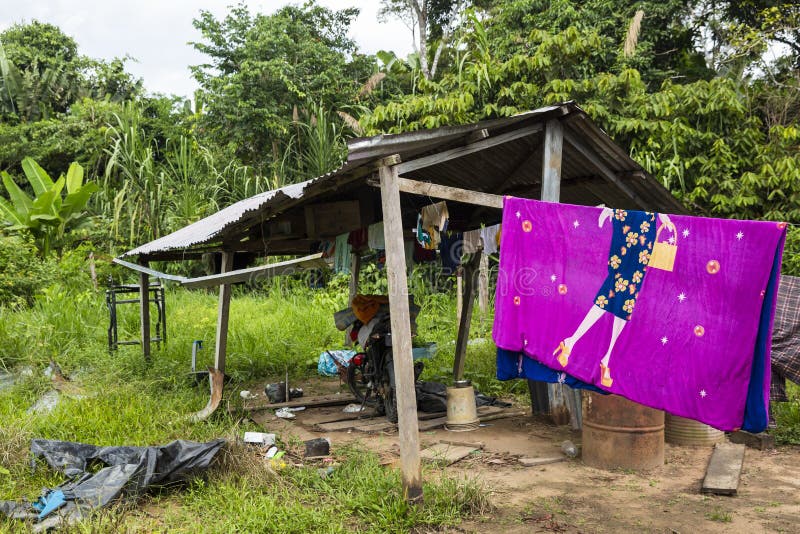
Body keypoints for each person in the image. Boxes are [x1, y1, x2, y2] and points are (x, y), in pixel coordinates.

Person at [553, 207, 675, 387]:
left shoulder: (651, 222)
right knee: (606, 301)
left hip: (638, 264)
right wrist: (618, 214)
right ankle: (574, 345)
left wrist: (659, 217)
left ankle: (602, 356)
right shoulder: (646, 220)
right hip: (629, 262)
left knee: (624, 307)